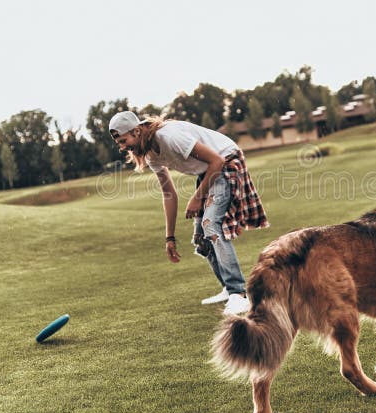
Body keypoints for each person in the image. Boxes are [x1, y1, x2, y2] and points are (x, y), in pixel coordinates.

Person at [109, 111, 269, 315]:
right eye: (119, 143)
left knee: (210, 225)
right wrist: (170, 237)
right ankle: (229, 289)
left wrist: (197, 197)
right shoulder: (150, 154)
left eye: (124, 141)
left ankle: (239, 294)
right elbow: (168, 194)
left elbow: (217, 162)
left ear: (137, 131)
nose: (123, 147)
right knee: (201, 237)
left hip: (226, 160)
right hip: (207, 171)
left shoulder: (169, 136)